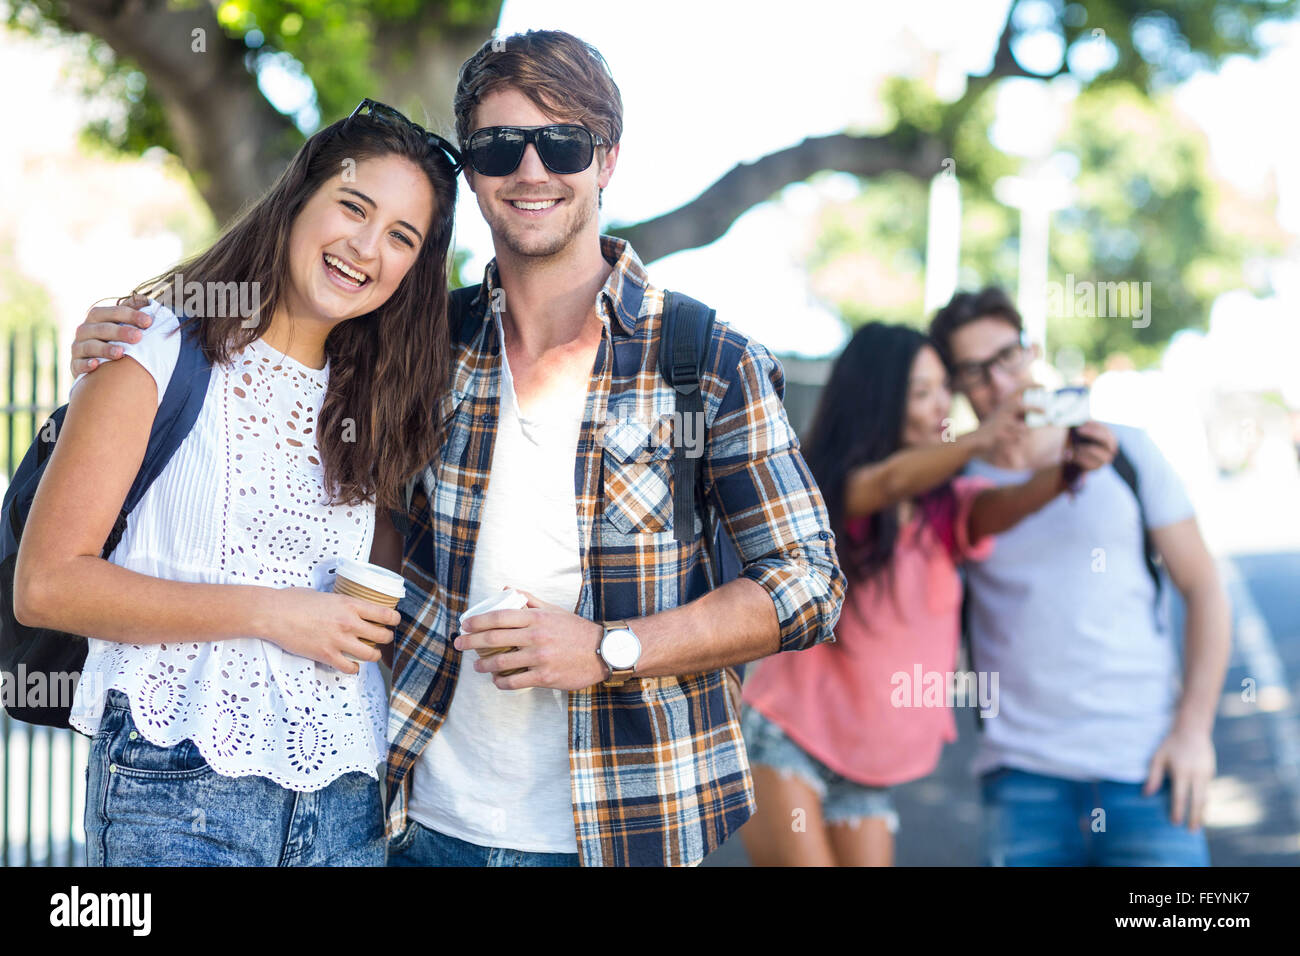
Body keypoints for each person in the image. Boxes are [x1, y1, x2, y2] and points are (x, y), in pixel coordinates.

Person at [69, 30, 845, 868]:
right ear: (472, 171)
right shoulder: (417, 348)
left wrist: (610, 648)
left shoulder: (708, 359)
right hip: (411, 822)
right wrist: (133, 339)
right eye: (500, 146)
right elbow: (269, 351)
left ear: (607, 161)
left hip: (624, 829)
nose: (532, 170)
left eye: (564, 143)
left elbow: (808, 583)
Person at [23, 101, 461, 865]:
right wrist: (274, 613)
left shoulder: (384, 403)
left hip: (347, 800)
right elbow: (49, 586)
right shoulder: (155, 350)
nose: (366, 247)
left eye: (401, 237)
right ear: (297, 198)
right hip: (176, 786)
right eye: (352, 207)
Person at [739, 322, 1116, 866]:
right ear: (879, 401)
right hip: (786, 738)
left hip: (866, 762)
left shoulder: (948, 505)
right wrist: (980, 438)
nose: (942, 403)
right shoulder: (827, 491)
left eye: (944, 387)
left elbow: (1003, 507)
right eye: (921, 392)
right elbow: (888, 482)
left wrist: (1068, 470)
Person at [928, 287, 1232, 866]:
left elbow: (1204, 587)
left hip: (1147, 766)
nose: (998, 383)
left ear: (1031, 350)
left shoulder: (1127, 451)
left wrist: (1194, 730)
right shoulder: (955, 483)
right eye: (974, 372)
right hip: (1021, 780)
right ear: (958, 386)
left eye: (1006, 358)